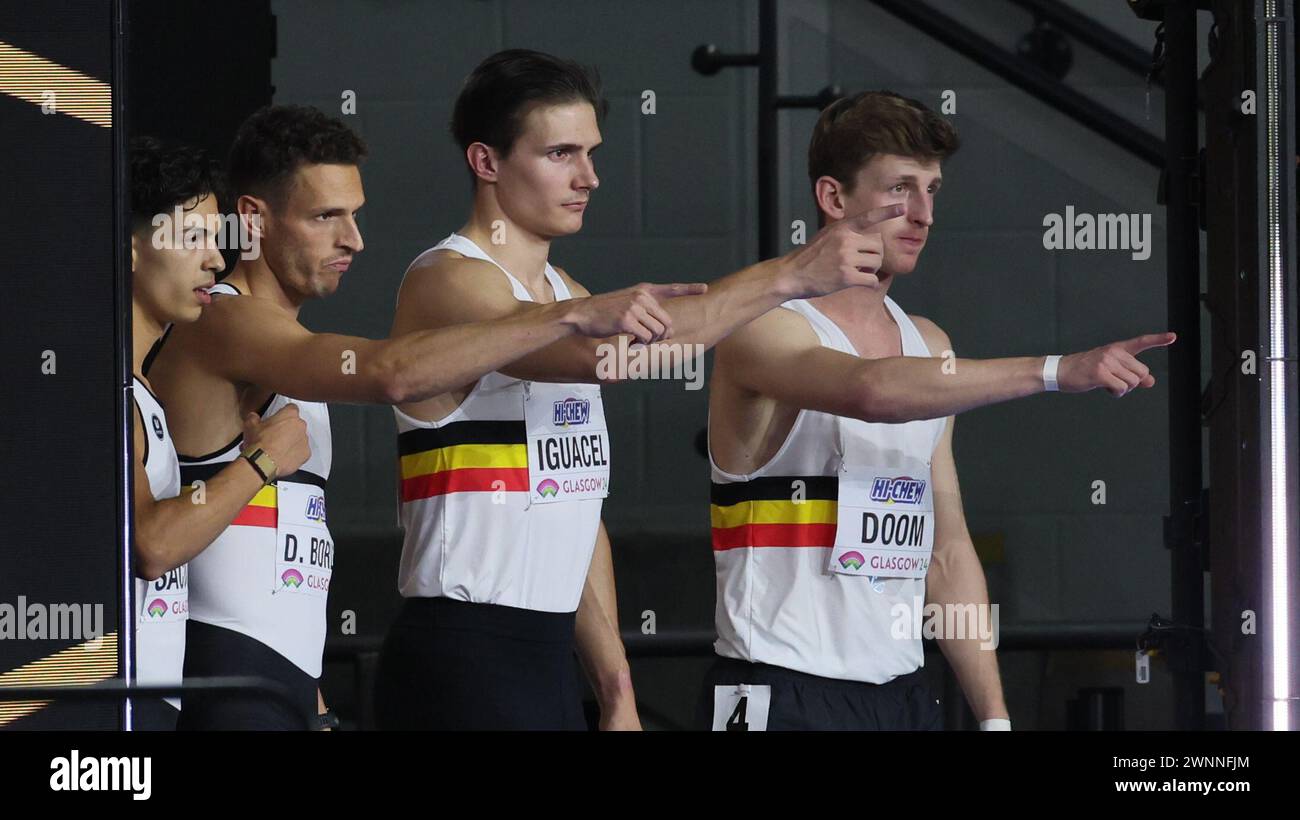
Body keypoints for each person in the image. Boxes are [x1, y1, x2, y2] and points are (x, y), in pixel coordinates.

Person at [374, 49, 912, 730]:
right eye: (561, 153)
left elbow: (575, 518)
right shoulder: (448, 279)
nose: (588, 177)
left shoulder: (568, 293)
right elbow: (602, 355)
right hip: (461, 648)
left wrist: (617, 688)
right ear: (487, 162)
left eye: (592, 153)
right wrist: (789, 276)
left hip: (542, 656)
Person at [146, 105, 690, 730]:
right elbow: (388, 374)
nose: (353, 240)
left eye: (355, 215)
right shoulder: (224, 319)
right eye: (326, 217)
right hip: (220, 676)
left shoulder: (286, 348)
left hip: (281, 684)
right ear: (253, 219)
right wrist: (562, 316)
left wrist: (316, 705)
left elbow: (278, 572)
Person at [701, 91, 1175, 730]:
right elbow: (871, 391)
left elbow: (946, 551)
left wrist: (995, 717)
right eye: (900, 189)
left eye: (932, 189)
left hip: (900, 691)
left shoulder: (931, 345)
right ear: (834, 199)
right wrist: (1057, 371)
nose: (922, 213)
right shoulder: (762, 326)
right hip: (781, 687)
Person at [127, 136, 309, 730]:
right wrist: (260, 463)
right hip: (108, 702)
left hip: (156, 696)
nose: (215, 259)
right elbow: (151, 546)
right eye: (192, 237)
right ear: (131, 248)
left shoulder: (142, 391)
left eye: (216, 238)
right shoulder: (102, 394)